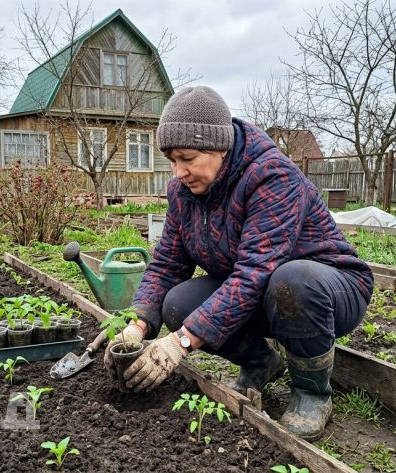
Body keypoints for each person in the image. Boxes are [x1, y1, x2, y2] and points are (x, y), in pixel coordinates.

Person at [103, 86, 373, 440]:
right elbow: (167, 265)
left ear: (218, 148)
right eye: (172, 160)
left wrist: (181, 343)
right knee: (177, 304)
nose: (178, 171)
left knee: (292, 279)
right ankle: (262, 362)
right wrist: (136, 325)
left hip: (329, 291)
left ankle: (312, 392)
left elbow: (253, 274)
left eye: (187, 158)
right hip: (263, 294)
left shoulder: (271, 177)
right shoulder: (183, 193)